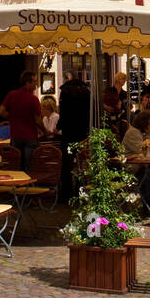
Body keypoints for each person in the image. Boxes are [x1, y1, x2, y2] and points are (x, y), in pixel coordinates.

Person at [58, 71, 91, 202]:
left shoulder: (65, 91)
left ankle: (66, 193)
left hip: (68, 132)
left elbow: (63, 113)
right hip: (83, 132)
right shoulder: (86, 91)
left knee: (67, 163)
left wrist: (61, 126)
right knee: (82, 163)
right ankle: (80, 189)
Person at [0, 71, 42, 170]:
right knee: (29, 165)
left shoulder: (12, 95)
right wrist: (45, 131)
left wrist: (13, 116)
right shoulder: (33, 99)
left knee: (17, 164)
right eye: (34, 81)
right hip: (30, 136)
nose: (36, 84)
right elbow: (37, 120)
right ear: (27, 83)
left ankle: (18, 184)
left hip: (16, 136)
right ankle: (29, 184)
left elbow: (0, 112)